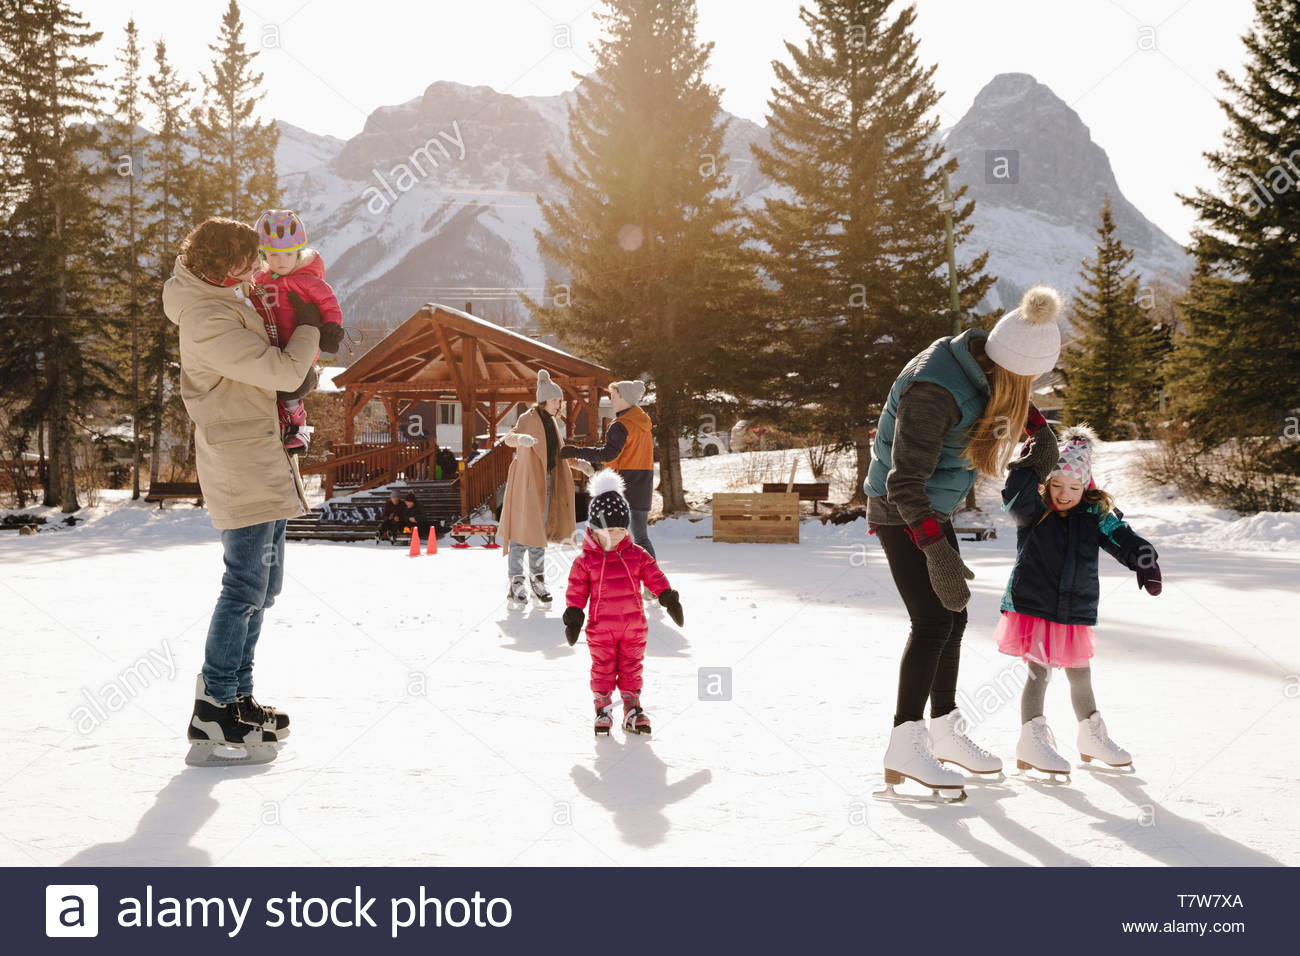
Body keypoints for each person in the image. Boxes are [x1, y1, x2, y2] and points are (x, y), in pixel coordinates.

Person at [864, 286, 1064, 798]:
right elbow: (902, 482)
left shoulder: (985, 362)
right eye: (1029, 382)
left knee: (953, 615)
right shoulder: (935, 391)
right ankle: (904, 742)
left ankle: (944, 730)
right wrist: (937, 552)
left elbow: (1007, 396)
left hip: (933, 504)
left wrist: (1041, 434)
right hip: (901, 508)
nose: (1028, 390)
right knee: (932, 619)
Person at [163, 217, 340, 765]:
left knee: (264, 588)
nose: (256, 268)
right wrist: (311, 327)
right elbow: (286, 372)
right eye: (247, 262)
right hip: (242, 461)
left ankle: (238, 695)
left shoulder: (221, 297)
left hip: (261, 455)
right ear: (222, 267)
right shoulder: (207, 319)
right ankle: (214, 704)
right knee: (243, 585)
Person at [997, 423, 1162, 777]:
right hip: (1036, 606)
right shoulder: (1033, 510)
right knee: (1038, 673)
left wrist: (1144, 557)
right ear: (1047, 483)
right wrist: (1033, 457)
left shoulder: (1095, 516)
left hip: (1074, 608)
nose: (1064, 493)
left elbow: (1121, 536)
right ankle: (1031, 741)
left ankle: (1091, 737)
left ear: (1085, 486)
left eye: (1073, 487)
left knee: (1080, 674)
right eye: (1057, 485)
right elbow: (1014, 492)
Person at [563, 470, 683, 736]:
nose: (616, 535)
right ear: (595, 529)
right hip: (601, 628)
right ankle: (603, 708)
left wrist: (667, 596)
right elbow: (577, 589)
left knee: (631, 667)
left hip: (634, 627)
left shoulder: (636, 554)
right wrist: (573, 614)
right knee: (603, 668)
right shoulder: (586, 560)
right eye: (609, 530)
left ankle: (632, 708)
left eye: (620, 529)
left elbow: (653, 574)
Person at [251, 209, 344, 455]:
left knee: (292, 383)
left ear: (299, 254)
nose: (281, 261)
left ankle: (297, 424)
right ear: (263, 255)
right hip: (270, 342)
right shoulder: (260, 280)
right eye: (273, 255)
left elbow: (329, 304)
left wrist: (330, 330)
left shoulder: (308, 281)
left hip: (299, 346)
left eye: (288, 255)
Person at [499, 370, 591, 609]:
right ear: (543, 401)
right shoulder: (528, 418)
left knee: (539, 532)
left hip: (549, 483)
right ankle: (516, 582)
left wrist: (578, 464)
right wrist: (521, 440)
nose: (558, 404)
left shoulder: (552, 422)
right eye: (554, 400)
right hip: (528, 484)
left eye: (559, 400)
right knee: (522, 532)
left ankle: (538, 580)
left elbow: (558, 452)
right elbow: (509, 437)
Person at [560, 380, 657, 569]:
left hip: (622, 488)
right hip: (642, 484)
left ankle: (607, 579)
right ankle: (654, 582)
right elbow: (620, 458)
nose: (610, 399)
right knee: (641, 537)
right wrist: (586, 465)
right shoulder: (643, 425)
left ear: (624, 397)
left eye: (613, 395)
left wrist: (576, 450)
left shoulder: (621, 425)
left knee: (607, 537)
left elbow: (607, 454)